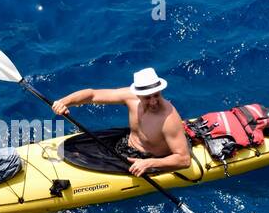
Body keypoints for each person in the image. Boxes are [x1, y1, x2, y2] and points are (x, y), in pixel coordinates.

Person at [51, 68, 190, 176]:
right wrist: (64, 102)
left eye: (156, 95)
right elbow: (92, 94)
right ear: (138, 94)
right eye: (147, 97)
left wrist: (149, 163)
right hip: (124, 146)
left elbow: (184, 160)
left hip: (151, 159)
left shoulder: (169, 118)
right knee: (77, 149)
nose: (153, 102)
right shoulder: (131, 97)